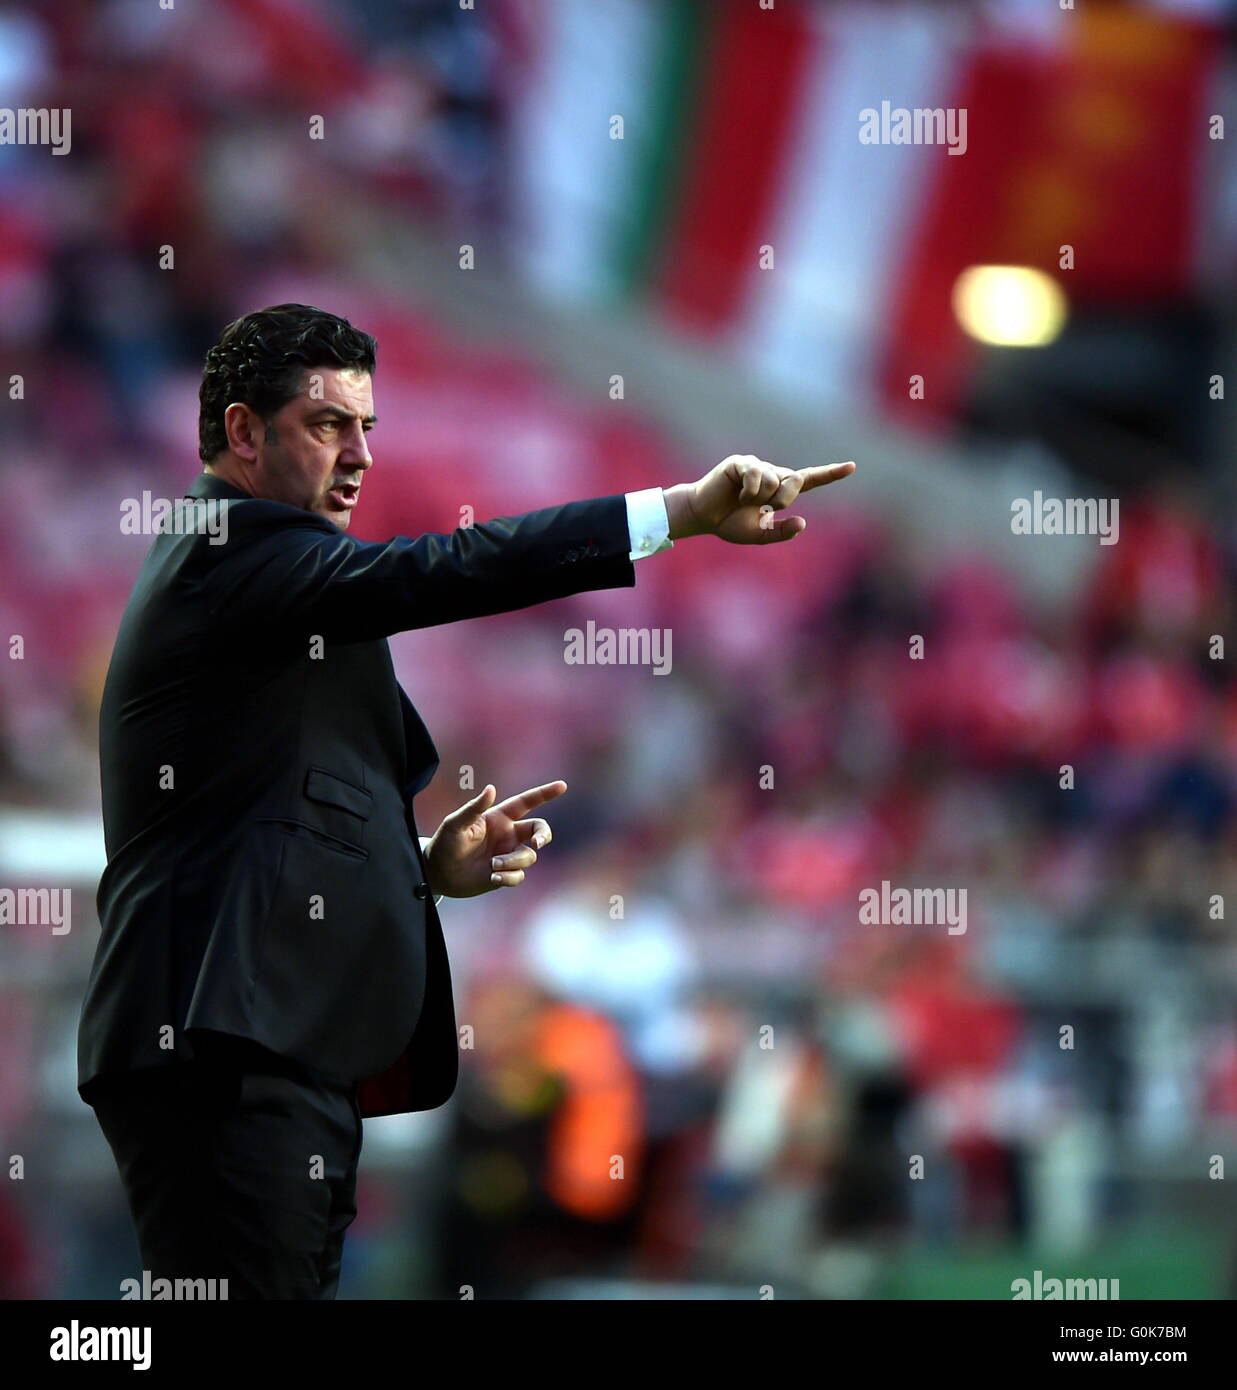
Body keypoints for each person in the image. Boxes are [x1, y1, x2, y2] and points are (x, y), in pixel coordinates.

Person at [76, 302, 855, 1299]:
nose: (358, 455)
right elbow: (439, 568)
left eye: (367, 428)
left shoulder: (280, 600)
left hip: (276, 1048)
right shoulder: (228, 544)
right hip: (218, 1039)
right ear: (241, 432)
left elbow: (272, 813)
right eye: (327, 426)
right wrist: (680, 512)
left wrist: (422, 870)